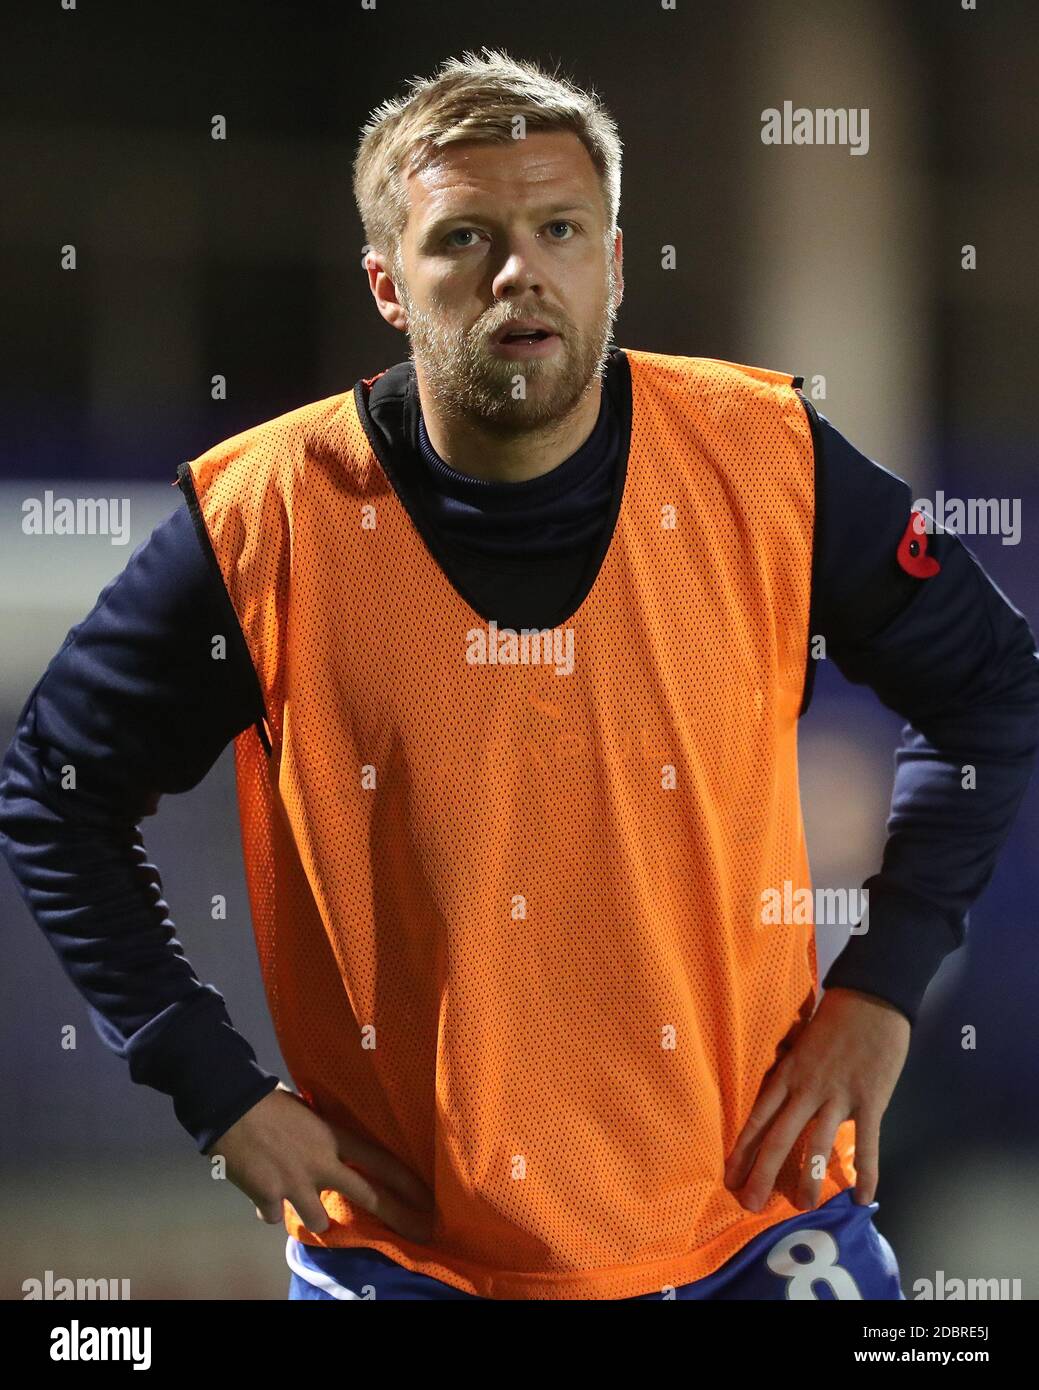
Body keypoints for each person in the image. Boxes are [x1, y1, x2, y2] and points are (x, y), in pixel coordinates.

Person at [1, 47, 1037, 1302]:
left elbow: (993, 687)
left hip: (753, 1228)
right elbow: (54, 789)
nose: (517, 272)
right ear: (389, 282)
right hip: (415, 1255)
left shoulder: (765, 458)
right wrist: (213, 1087)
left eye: (559, 228)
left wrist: (880, 984)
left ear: (611, 260)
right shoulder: (264, 518)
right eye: (464, 239)